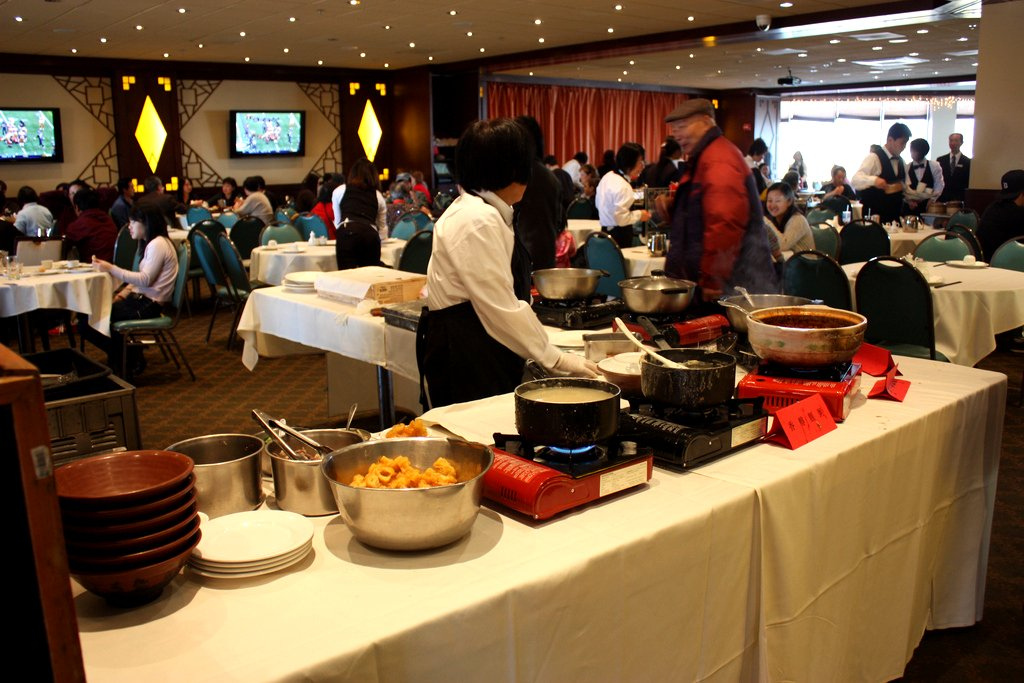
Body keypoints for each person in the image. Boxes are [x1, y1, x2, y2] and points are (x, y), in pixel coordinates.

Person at [417, 118, 598, 409]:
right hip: (469, 357)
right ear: (511, 169)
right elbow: (499, 307)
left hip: (478, 348)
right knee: (478, 445)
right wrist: (557, 359)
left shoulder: (485, 210)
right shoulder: (477, 219)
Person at [664, 98, 778, 301]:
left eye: (683, 126)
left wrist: (712, 279)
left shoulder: (719, 159)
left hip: (735, 286)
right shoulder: (705, 157)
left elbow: (725, 222)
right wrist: (673, 209)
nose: (677, 134)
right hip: (722, 282)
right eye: (674, 128)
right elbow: (703, 218)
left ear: (707, 121)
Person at [89, 207, 178, 377]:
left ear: (146, 223)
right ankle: (127, 355)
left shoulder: (158, 243)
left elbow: (145, 280)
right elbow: (141, 279)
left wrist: (110, 268)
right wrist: (124, 293)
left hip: (148, 305)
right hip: (141, 300)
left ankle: (129, 356)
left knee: (92, 318)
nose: (129, 227)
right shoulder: (152, 243)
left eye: (132, 222)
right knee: (92, 316)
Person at [513, 115, 564, 270]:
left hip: (518, 258)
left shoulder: (514, 175)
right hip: (546, 255)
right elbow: (560, 223)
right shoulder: (550, 177)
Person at [851, 123, 911, 223]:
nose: (904, 147)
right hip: (874, 219)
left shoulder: (902, 162)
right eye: (902, 143)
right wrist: (874, 180)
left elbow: (905, 188)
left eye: (905, 143)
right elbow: (855, 180)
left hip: (894, 219)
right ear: (890, 140)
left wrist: (912, 198)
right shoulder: (874, 157)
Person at [335, 158, 388, 269]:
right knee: (371, 278)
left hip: (346, 233)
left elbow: (338, 221)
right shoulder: (378, 196)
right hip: (370, 235)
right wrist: (382, 242)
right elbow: (382, 228)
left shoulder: (339, 191)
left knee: (346, 277)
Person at [596, 142, 650, 248]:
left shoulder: (607, 177)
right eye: (640, 162)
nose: (642, 166)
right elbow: (620, 219)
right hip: (619, 237)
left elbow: (598, 204)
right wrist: (640, 214)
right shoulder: (623, 185)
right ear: (630, 163)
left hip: (604, 233)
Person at [976, 169, 1024, 263]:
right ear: (1022, 194)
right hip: (1009, 267)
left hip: (984, 263)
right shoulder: (1019, 214)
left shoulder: (992, 208)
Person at [65, 188, 118, 263]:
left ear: (77, 207)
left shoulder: (79, 224)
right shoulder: (108, 219)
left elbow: (65, 246)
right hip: (115, 267)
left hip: (94, 268)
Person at [764, 182, 814, 254]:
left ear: (789, 201)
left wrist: (765, 221)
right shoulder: (775, 219)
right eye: (769, 201)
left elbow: (783, 245)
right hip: (789, 261)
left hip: (806, 263)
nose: (772, 205)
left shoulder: (798, 219)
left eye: (777, 201)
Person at [903, 138, 944, 216]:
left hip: (928, 206)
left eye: (915, 151)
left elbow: (939, 185)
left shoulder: (934, 166)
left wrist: (932, 200)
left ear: (923, 152)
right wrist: (909, 201)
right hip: (910, 208)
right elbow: (904, 188)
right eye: (912, 150)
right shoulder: (906, 167)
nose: (912, 153)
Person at [936, 133, 971, 203]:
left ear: (961, 143)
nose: (953, 143)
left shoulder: (967, 162)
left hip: (959, 198)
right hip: (942, 197)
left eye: (956, 140)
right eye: (951, 140)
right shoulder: (941, 160)